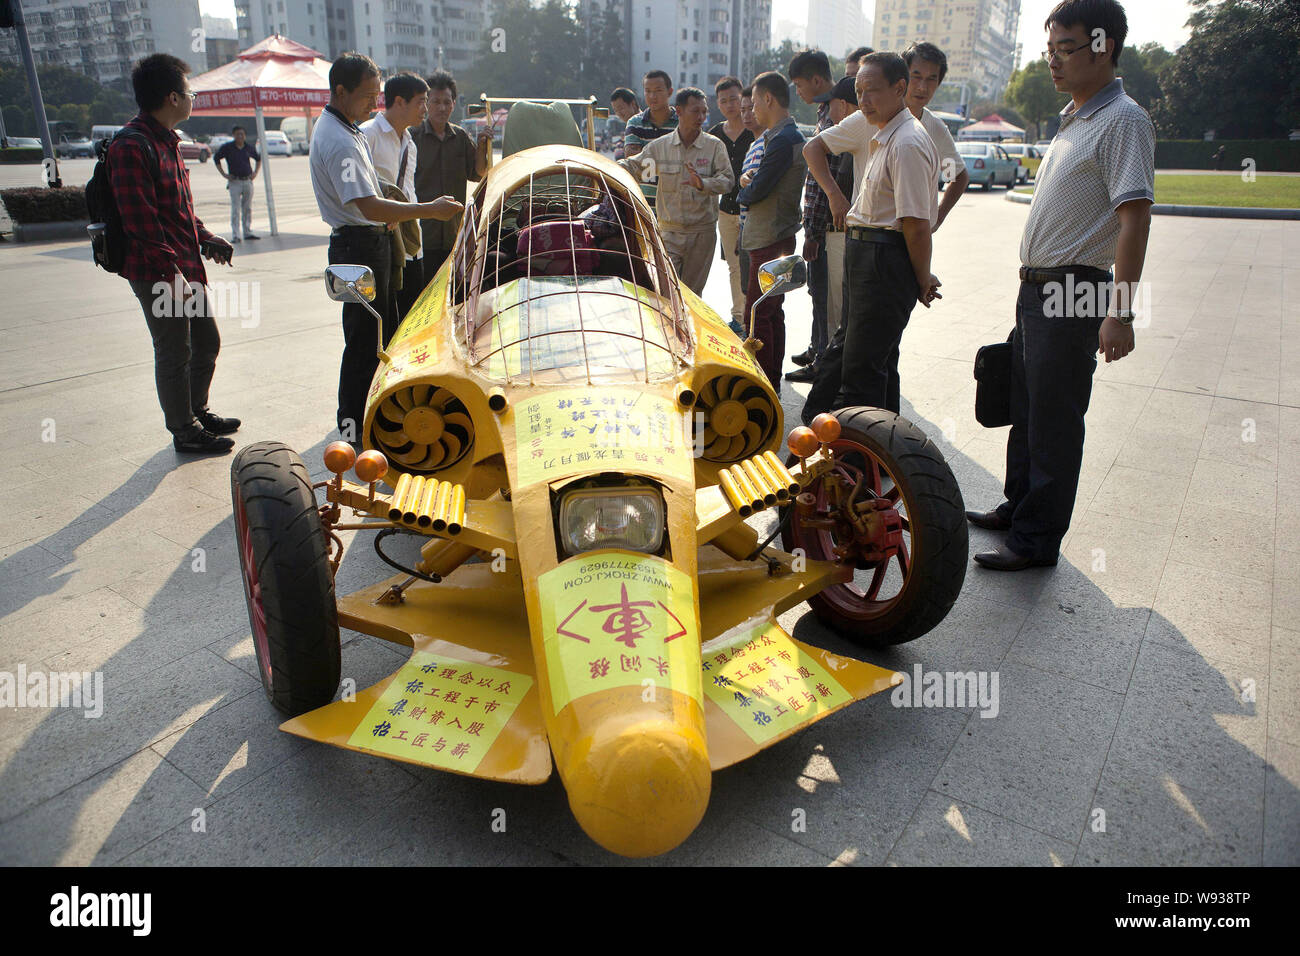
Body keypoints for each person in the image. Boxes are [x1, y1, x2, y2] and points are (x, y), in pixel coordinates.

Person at [968, 0, 1154, 571]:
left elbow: (1135, 218)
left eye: (1065, 49)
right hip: (1039, 289)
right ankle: (1018, 507)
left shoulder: (1124, 120)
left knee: (1053, 417)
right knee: (1025, 405)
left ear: (1104, 47)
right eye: (1048, 50)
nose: (1052, 62)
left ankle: (1037, 539)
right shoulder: (1076, 119)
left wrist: (1119, 313)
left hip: (1075, 292)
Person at [310, 52, 464, 447]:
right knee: (363, 339)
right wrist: (429, 210)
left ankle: (367, 415)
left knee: (379, 334)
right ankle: (351, 428)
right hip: (357, 247)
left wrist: (394, 213)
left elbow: (376, 199)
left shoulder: (347, 130)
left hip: (370, 241)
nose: (372, 104)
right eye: (367, 95)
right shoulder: (341, 139)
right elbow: (368, 206)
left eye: (376, 94)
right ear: (340, 91)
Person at [801, 52, 942, 421]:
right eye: (859, 91)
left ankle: (859, 464)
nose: (863, 101)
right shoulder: (883, 133)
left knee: (863, 371)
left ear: (899, 88)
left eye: (872, 91)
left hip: (883, 258)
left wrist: (922, 276)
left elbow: (915, 223)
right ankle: (850, 442)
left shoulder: (907, 143)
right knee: (857, 353)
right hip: (865, 253)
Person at [111, 53, 238, 454]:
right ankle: (184, 430)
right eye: (189, 91)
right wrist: (171, 274)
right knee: (175, 349)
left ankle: (197, 410)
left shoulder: (169, 142)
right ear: (171, 98)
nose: (192, 98)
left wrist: (206, 238)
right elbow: (141, 223)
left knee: (206, 342)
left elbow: (178, 212)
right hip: (158, 270)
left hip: (184, 264)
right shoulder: (131, 147)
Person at [620, 87, 733, 295]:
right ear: (679, 111)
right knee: (665, 293)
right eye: (695, 111)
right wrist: (601, 167)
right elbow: (635, 167)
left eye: (704, 112)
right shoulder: (660, 147)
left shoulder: (714, 147)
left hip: (702, 234)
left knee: (692, 297)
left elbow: (727, 181)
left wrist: (703, 183)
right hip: (669, 233)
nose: (701, 117)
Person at [736, 71, 806, 391]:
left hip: (769, 235)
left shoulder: (782, 140)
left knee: (759, 314)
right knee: (771, 313)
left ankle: (762, 385)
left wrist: (745, 186)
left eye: (754, 103)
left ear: (769, 99)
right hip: (774, 233)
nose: (752, 111)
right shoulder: (782, 136)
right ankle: (771, 382)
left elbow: (757, 189)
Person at [410, 69, 492, 284]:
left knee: (453, 296)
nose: (442, 107)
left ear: (454, 104)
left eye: (447, 102)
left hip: (454, 237)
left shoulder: (460, 137)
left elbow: (478, 173)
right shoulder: (412, 137)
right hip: (421, 237)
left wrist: (483, 145)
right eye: (435, 102)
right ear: (426, 104)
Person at [786, 50, 838, 382]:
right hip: (821, 224)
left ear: (817, 80)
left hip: (827, 227)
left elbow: (824, 181)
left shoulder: (836, 114)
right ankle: (818, 350)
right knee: (818, 293)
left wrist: (813, 232)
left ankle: (823, 362)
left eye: (800, 85)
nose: (799, 92)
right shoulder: (826, 112)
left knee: (824, 295)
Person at [361, 72, 429, 322]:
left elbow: (408, 191)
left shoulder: (410, 143)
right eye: (421, 101)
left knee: (411, 319)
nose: (426, 108)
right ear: (399, 101)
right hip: (381, 244)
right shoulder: (368, 135)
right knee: (383, 321)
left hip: (410, 243)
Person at [902, 41, 971, 230]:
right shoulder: (876, 117)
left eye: (931, 79)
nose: (922, 87)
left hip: (913, 238)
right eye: (916, 76)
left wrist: (938, 218)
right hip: (868, 236)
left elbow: (954, 176)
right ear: (902, 77)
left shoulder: (936, 130)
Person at [707, 76, 754, 329]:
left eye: (734, 99)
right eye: (723, 101)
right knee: (734, 266)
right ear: (718, 104)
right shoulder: (714, 135)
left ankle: (752, 316)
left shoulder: (755, 131)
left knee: (752, 265)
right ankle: (739, 317)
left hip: (753, 211)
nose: (730, 105)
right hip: (725, 210)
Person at [733, 86, 765, 336]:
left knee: (761, 301)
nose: (747, 114)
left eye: (751, 108)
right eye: (743, 109)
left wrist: (745, 185)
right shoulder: (753, 145)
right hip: (746, 229)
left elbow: (753, 188)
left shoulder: (770, 144)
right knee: (747, 290)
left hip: (761, 233)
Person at [623, 69, 678, 209]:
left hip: (676, 205)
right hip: (644, 204)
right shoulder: (635, 123)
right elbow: (633, 160)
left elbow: (686, 159)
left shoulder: (682, 122)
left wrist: (646, 154)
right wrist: (668, 157)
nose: (652, 96)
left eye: (658, 90)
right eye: (648, 91)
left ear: (670, 92)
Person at [213, 125, 260, 243]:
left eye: (242, 134)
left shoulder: (248, 148)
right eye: (238, 134)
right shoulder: (228, 148)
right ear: (233, 135)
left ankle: (247, 231)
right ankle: (236, 234)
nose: (240, 136)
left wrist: (255, 172)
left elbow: (258, 159)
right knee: (236, 209)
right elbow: (216, 158)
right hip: (235, 182)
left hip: (247, 181)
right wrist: (224, 174)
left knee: (247, 208)